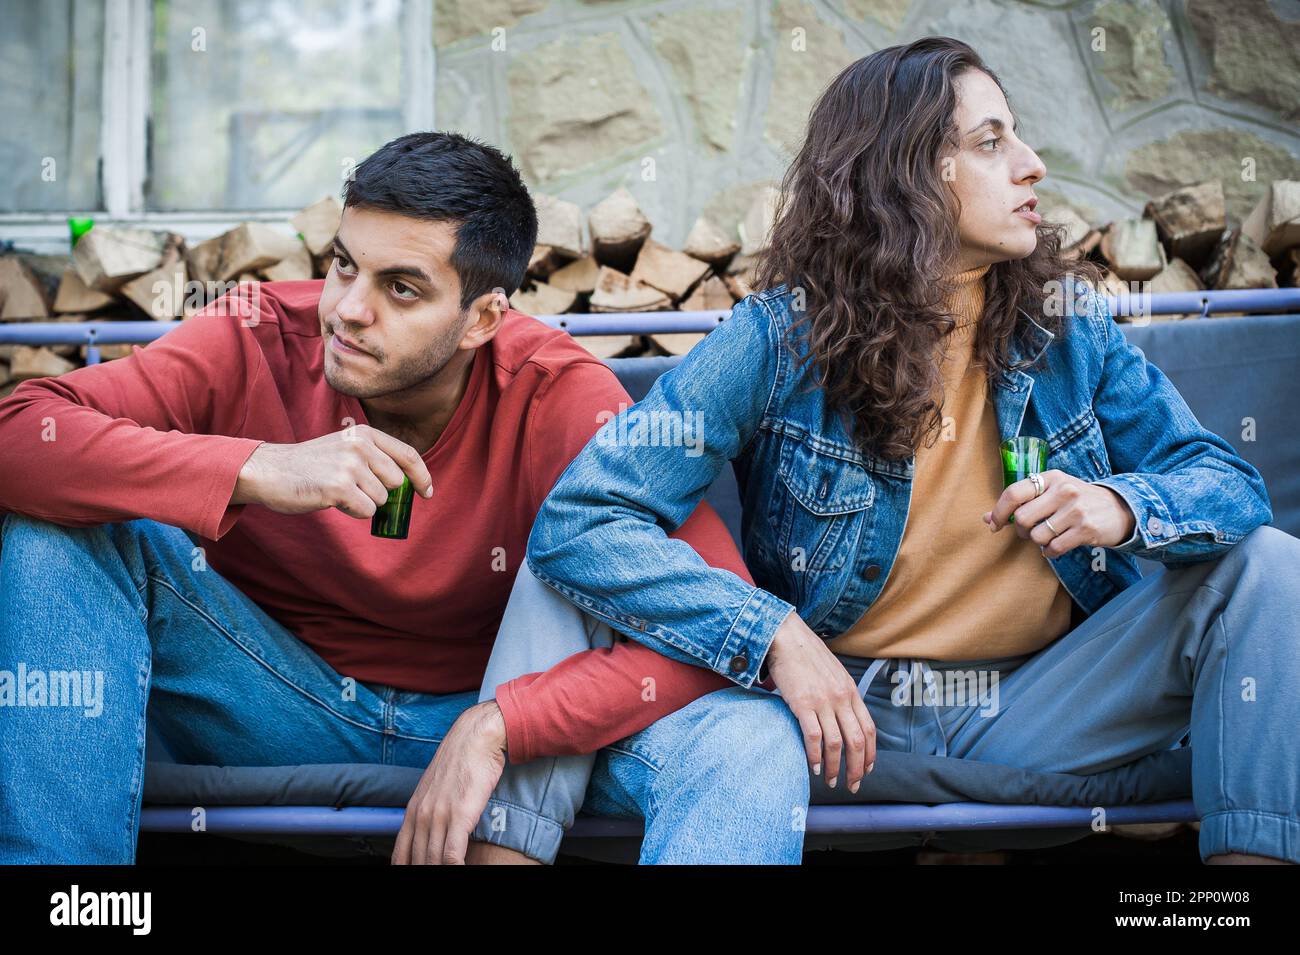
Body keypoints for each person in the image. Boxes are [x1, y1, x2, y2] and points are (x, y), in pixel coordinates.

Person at [517, 37, 1300, 865]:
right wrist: (774, 634)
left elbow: (1229, 484)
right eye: (991, 143)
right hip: (841, 719)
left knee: (1269, 569)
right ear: (907, 174)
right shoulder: (782, 339)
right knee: (738, 741)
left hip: (1039, 706)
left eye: (1019, 138)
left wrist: (1122, 506)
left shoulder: (1069, 329)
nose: (1032, 166)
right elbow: (583, 519)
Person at [0, 131, 809, 866]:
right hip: (268, 697)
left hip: (497, 734)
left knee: (748, 736)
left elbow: (716, 617)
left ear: (482, 318)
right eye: (345, 264)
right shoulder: (254, 333)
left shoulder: (556, 394)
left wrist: (505, 724)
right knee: (54, 533)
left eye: (403, 288)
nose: (349, 309)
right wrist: (255, 467)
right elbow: (19, 431)